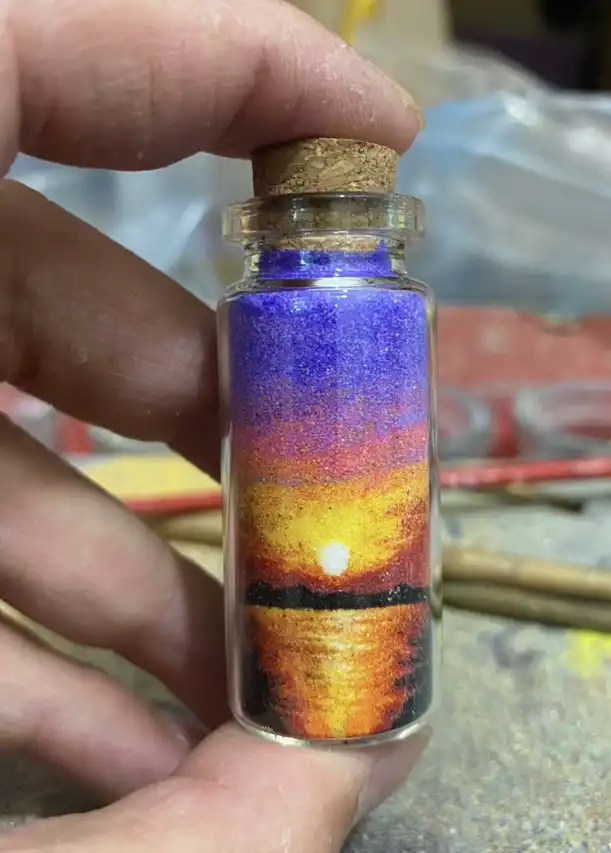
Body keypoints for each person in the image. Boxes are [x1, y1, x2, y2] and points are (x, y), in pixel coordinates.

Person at [0, 0, 425, 849]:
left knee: (370, 554)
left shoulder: (394, 303)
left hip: (387, 649)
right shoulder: (262, 306)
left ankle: (363, 677)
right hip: (280, 651)